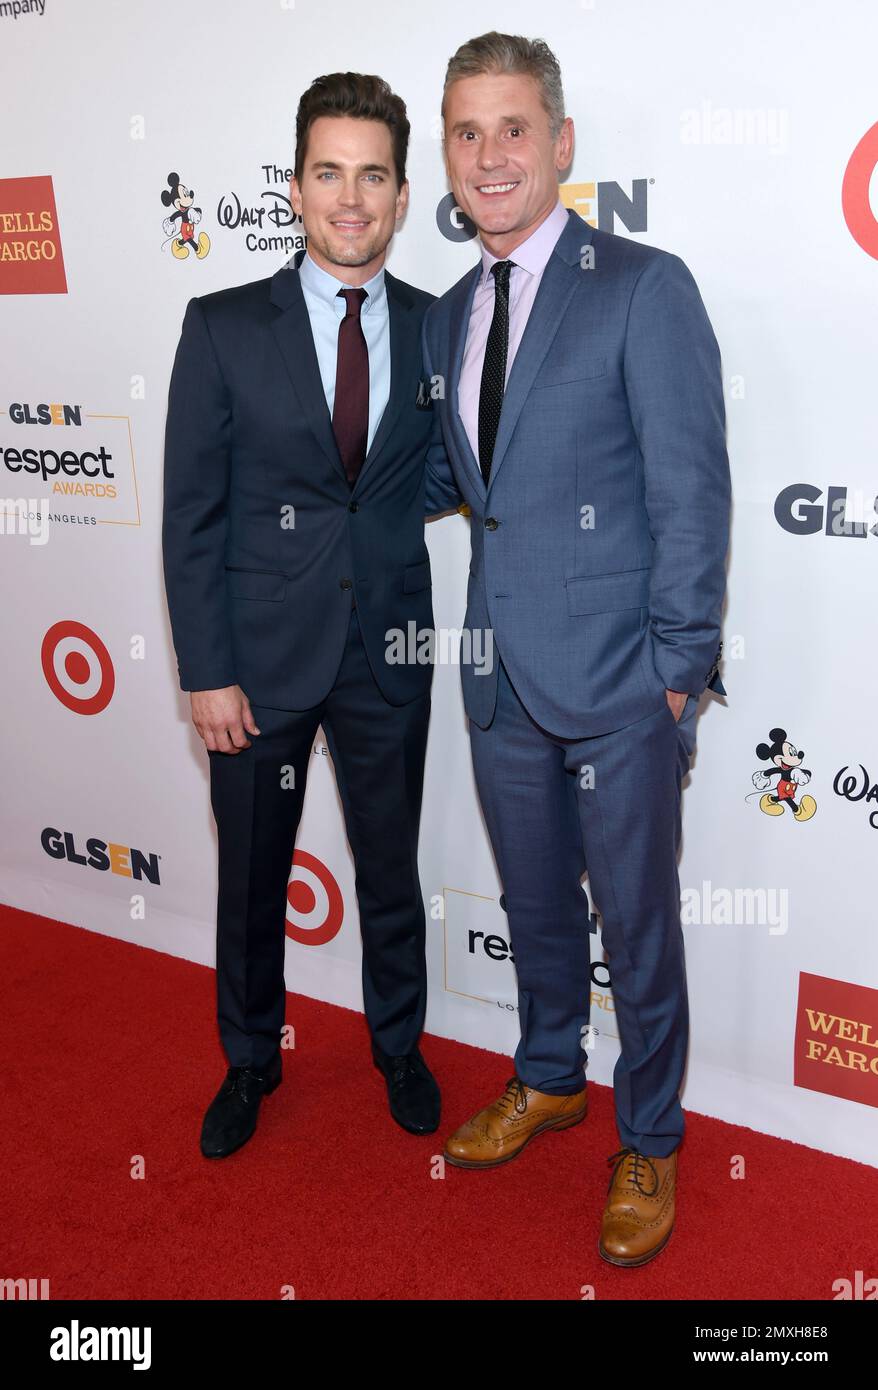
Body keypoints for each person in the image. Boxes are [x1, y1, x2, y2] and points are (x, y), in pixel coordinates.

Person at [423, 31, 730, 1265]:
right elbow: (468, 491)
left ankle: (648, 1133)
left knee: (638, 927)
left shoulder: (642, 287)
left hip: (620, 690)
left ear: (558, 142)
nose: (488, 156)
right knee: (537, 908)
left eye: (511, 128)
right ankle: (549, 1074)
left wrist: (675, 677)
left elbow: (690, 497)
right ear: (446, 156)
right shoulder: (449, 312)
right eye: (464, 132)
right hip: (498, 677)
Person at [162, 72, 442, 1160]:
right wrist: (204, 667)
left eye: (372, 174)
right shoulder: (224, 325)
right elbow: (191, 511)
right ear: (294, 187)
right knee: (250, 879)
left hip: (386, 654)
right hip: (258, 664)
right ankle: (248, 1059)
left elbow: (436, 472)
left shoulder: (435, 327)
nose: (350, 197)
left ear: (403, 193)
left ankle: (399, 1046)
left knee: (389, 867)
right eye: (329, 172)